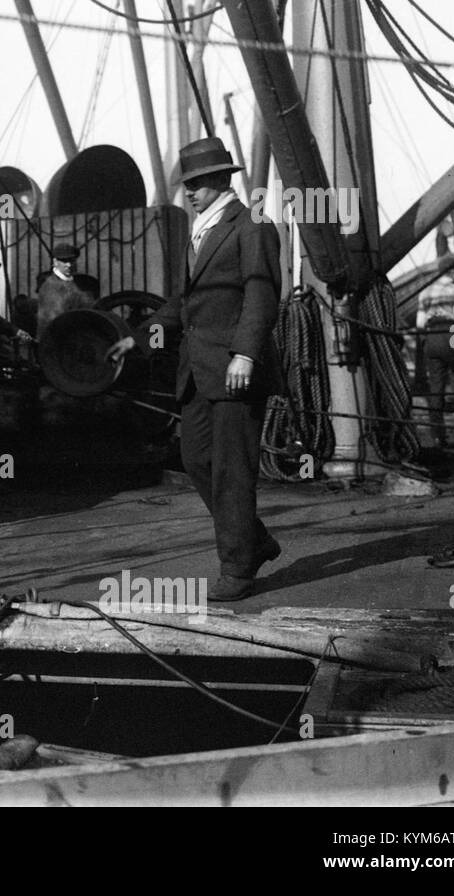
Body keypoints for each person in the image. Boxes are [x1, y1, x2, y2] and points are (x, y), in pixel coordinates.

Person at [108, 138, 282, 601]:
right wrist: (139, 337)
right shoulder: (201, 229)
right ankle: (256, 539)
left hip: (233, 370)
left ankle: (239, 567)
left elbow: (261, 293)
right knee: (196, 460)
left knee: (230, 470)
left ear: (223, 179)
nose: (189, 191)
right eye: (186, 183)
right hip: (198, 371)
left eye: (197, 182)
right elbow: (184, 301)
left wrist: (246, 354)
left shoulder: (252, 224)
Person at [417, 255, 454, 448]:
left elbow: (419, 324)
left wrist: (427, 342)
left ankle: (438, 437)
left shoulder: (424, 293)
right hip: (452, 332)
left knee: (436, 388)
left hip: (432, 337)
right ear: (452, 271)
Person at [36, 242, 98, 339]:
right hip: (55, 341)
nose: (69, 265)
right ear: (55, 262)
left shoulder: (75, 282)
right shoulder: (51, 286)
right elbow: (55, 320)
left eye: (72, 261)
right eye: (64, 261)